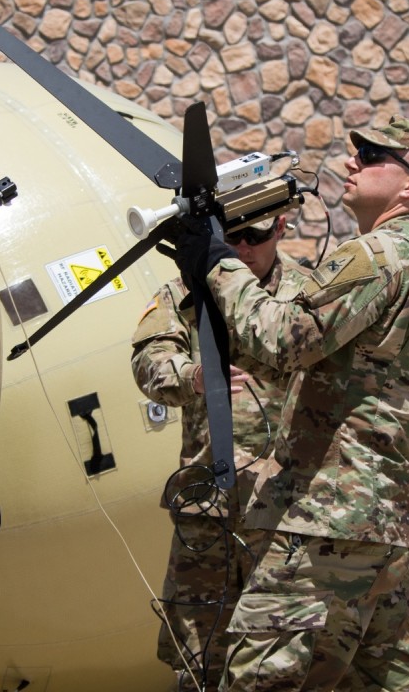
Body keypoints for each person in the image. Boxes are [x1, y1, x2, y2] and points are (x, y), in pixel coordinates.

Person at [175, 116, 409, 691]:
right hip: (379, 525)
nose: (352, 160)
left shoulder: (376, 255)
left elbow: (283, 337)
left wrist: (217, 260)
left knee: (258, 678)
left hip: (328, 520)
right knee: (381, 682)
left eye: (374, 154)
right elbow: (307, 359)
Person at [131, 213, 309, 690]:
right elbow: (149, 361)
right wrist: (194, 375)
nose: (245, 248)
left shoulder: (310, 294)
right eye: (233, 237)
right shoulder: (183, 292)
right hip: (207, 510)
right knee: (198, 652)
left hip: (285, 511)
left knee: (285, 655)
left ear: (282, 228)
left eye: (258, 235)